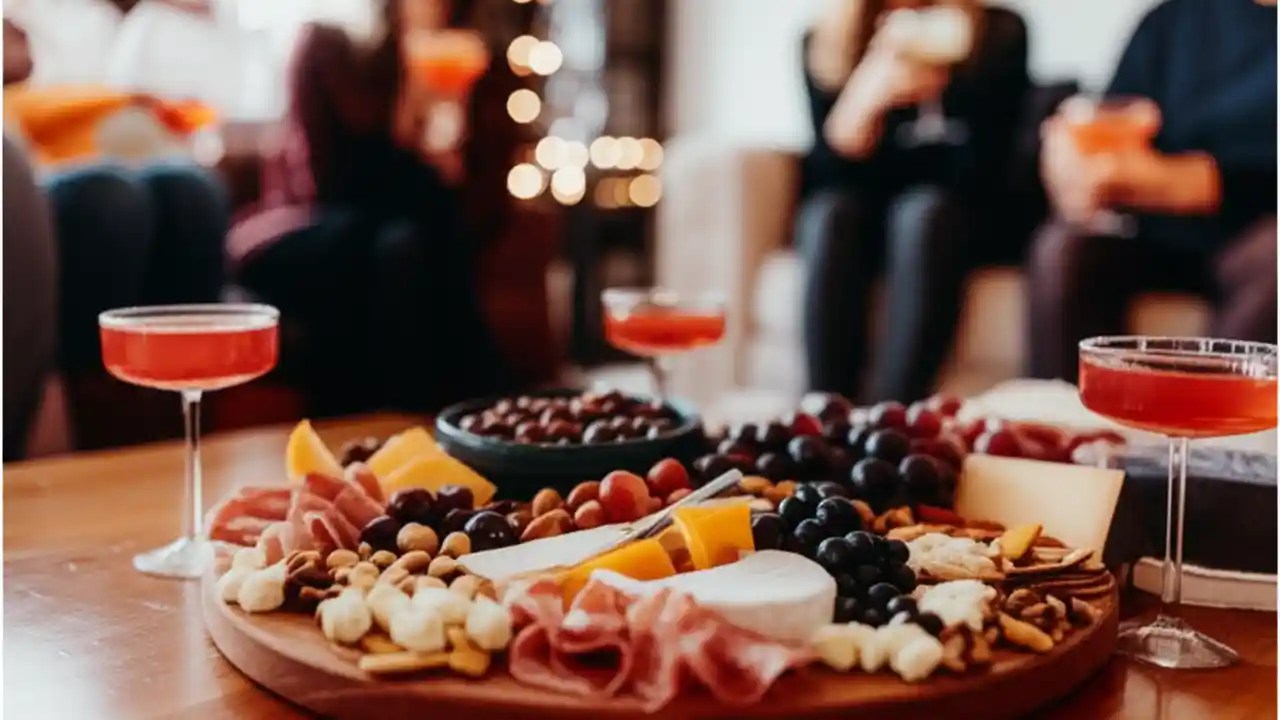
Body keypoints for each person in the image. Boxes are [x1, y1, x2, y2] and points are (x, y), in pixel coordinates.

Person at [228, 0, 509, 414]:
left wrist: (439, 126)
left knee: (410, 237)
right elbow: (327, 180)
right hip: (301, 227)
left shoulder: (437, 55)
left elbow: (472, 202)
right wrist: (412, 132)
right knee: (408, 236)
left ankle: (450, 412)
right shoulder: (324, 43)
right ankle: (473, 401)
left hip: (384, 229)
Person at [3, 16, 229, 453]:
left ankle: (185, 430)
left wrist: (138, 102)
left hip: (73, 165)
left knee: (190, 191)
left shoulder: (53, 78)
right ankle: (101, 428)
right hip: (39, 180)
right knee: (109, 198)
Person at [1028, 0, 1278, 382]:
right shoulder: (1170, 20)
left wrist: (1179, 180)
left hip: (1254, 232)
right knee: (1064, 247)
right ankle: (1064, 427)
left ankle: (1206, 426)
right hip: (1156, 230)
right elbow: (1114, 119)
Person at [797, 0, 1031, 404]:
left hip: (957, 217)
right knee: (830, 216)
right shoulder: (825, 41)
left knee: (924, 213)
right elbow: (824, 180)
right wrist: (864, 103)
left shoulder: (998, 32)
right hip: (869, 217)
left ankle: (894, 417)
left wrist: (954, 94)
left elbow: (996, 172)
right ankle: (824, 413)